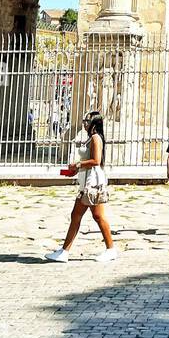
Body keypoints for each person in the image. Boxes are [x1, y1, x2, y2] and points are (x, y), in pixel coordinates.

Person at [47, 110, 117, 263]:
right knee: (76, 215)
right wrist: (76, 170)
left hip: (93, 182)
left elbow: (96, 160)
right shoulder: (91, 138)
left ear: (94, 123)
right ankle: (64, 251)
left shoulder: (96, 138)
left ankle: (110, 249)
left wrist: (78, 164)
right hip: (86, 180)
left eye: (87, 121)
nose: (84, 123)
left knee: (97, 216)